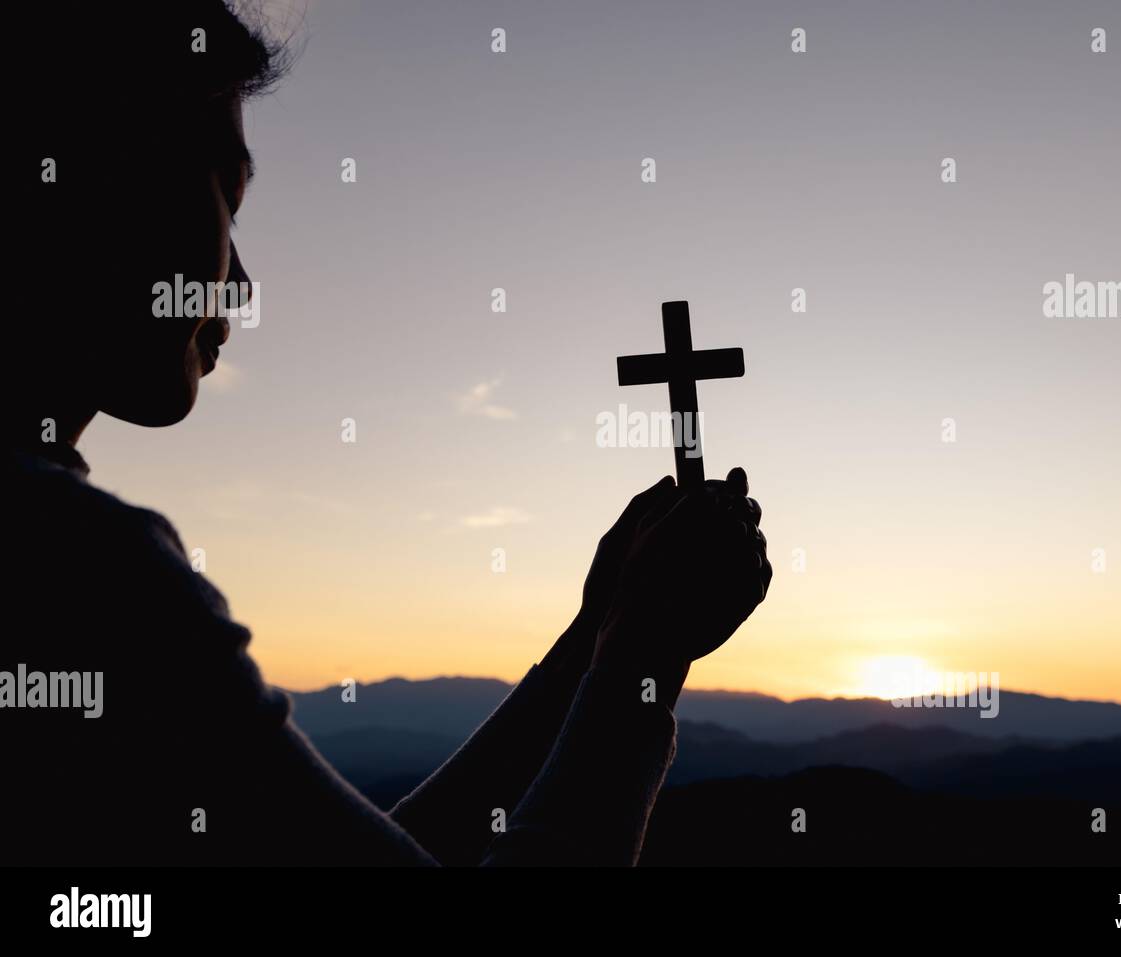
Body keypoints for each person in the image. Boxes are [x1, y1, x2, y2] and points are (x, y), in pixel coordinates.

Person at [4, 1, 772, 865]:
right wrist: (648, 652)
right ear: (104, 175)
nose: (243, 284)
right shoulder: (79, 576)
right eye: (227, 188)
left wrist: (597, 635)